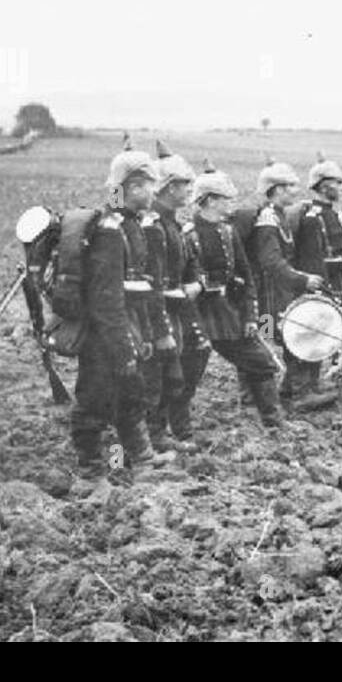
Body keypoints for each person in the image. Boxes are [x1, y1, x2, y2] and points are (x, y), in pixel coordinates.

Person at [71, 149, 175, 480]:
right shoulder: (109, 230)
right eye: (148, 186)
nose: (153, 193)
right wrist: (121, 346)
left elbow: (135, 287)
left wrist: (139, 335)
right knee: (95, 400)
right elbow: (106, 299)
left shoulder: (129, 225)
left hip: (128, 326)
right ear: (131, 187)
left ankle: (139, 459)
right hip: (105, 334)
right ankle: (92, 471)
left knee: (130, 394)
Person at [187, 168, 284, 427]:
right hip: (198, 317)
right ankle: (173, 431)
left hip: (229, 315)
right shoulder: (189, 235)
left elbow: (246, 276)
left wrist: (251, 316)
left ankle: (273, 423)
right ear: (210, 201)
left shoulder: (228, 232)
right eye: (226, 198)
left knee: (261, 363)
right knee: (185, 377)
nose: (232, 203)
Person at [249, 159, 336, 411]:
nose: (295, 191)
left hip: (282, 288)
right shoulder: (268, 220)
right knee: (295, 335)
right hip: (272, 290)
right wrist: (302, 279)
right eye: (289, 187)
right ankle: (299, 394)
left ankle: (293, 387)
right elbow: (271, 262)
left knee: (297, 332)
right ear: (276, 190)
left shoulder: (279, 216)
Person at [142, 144, 207, 451]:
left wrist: (194, 283)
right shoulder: (154, 226)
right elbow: (154, 284)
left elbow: (188, 263)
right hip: (158, 313)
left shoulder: (173, 224)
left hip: (175, 309)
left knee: (173, 375)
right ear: (168, 188)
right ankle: (148, 440)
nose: (189, 190)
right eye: (184, 185)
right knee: (157, 378)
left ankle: (160, 433)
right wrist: (160, 328)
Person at [286, 155, 342, 398]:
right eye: (337, 183)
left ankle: (312, 384)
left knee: (321, 334)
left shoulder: (331, 214)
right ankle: (300, 389)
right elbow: (313, 258)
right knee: (307, 334)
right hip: (315, 285)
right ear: (324, 186)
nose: (341, 187)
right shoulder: (311, 218)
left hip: (330, 283)